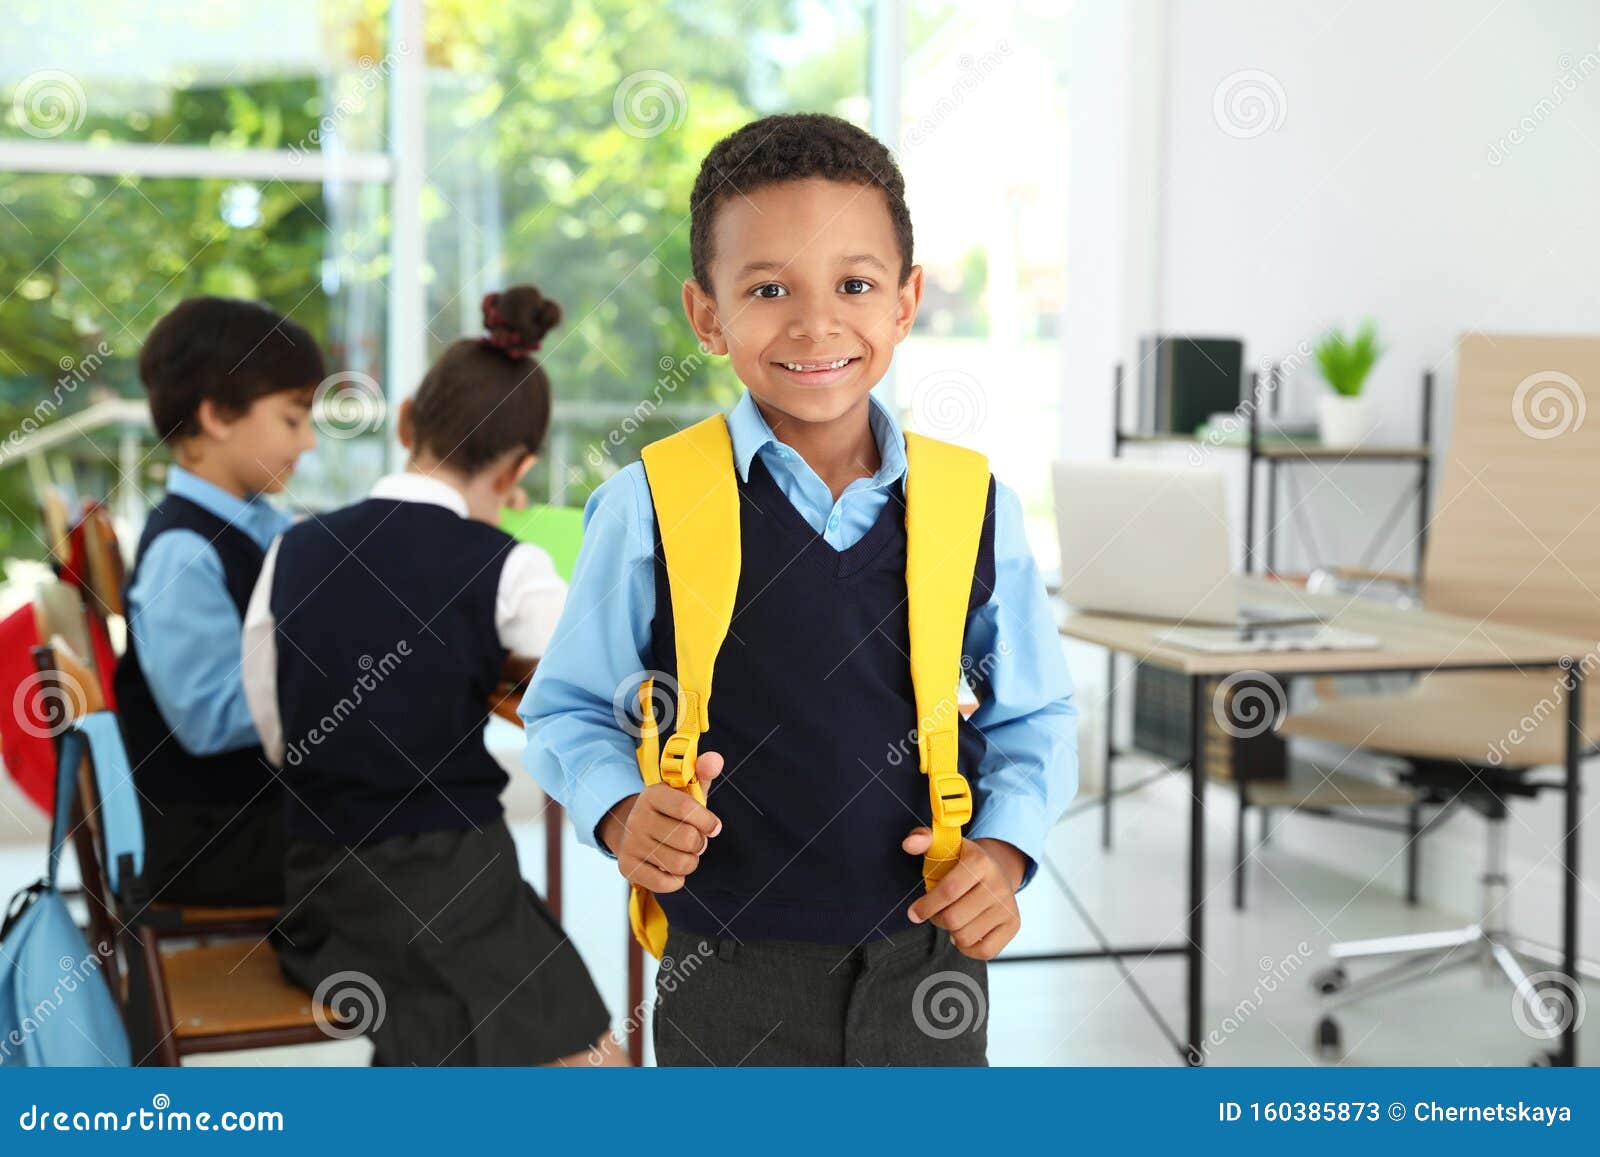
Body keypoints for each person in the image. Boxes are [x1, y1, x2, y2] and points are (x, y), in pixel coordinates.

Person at [522, 114, 1078, 1066]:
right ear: (707, 315)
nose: (817, 323)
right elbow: (570, 708)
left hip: (929, 957)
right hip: (725, 967)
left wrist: (1006, 853)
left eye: (855, 285)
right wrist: (620, 811)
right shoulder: (648, 503)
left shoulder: (977, 504)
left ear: (904, 302)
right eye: (769, 288)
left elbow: (1035, 713)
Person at [242, 285, 619, 1066]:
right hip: (451, 879)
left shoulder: (294, 549)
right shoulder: (509, 566)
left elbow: (276, 732)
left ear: (407, 419)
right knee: (589, 1047)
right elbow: (599, 678)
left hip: (320, 892)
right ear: (520, 468)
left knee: (473, 1010)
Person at [114, 296, 322, 906]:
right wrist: (344, 687)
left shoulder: (258, 526)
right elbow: (209, 719)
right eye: (293, 419)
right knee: (410, 848)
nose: (308, 441)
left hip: (246, 817)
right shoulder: (183, 552)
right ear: (218, 417)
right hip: (209, 842)